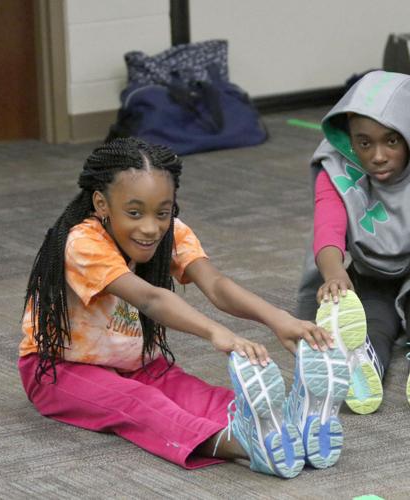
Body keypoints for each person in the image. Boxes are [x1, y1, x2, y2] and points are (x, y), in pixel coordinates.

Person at [19, 138, 344, 478]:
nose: (150, 228)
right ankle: (241, 444)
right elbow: (150, 298)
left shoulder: (170, 233)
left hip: (137, 362)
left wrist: (278, 319)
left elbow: (216, 285)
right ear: (101, 203)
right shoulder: (82, 243)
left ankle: (288, 426)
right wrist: (216, 331)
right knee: (139, 403)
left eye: (162, 212)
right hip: (60, 369)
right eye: (134, 213)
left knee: (199, 395)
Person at [296, 70, 410, 415]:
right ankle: (361, 362)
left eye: (391, 141)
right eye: (364, 143)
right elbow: (327, 226)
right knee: (372, 323)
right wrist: (333, 274)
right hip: (369, 272)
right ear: (350, 139)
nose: (377, 156)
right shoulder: (336, 166)